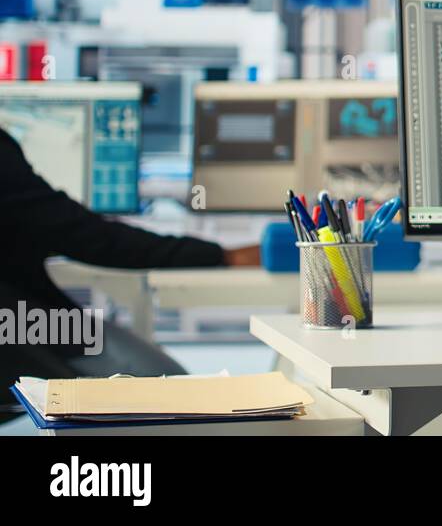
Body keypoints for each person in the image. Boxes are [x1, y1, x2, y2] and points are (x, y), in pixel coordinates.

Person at [0, 125, 259, 397]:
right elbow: (89, 238)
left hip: (21, 317)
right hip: (21, 323)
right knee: (171, 388)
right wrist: (222, 255)